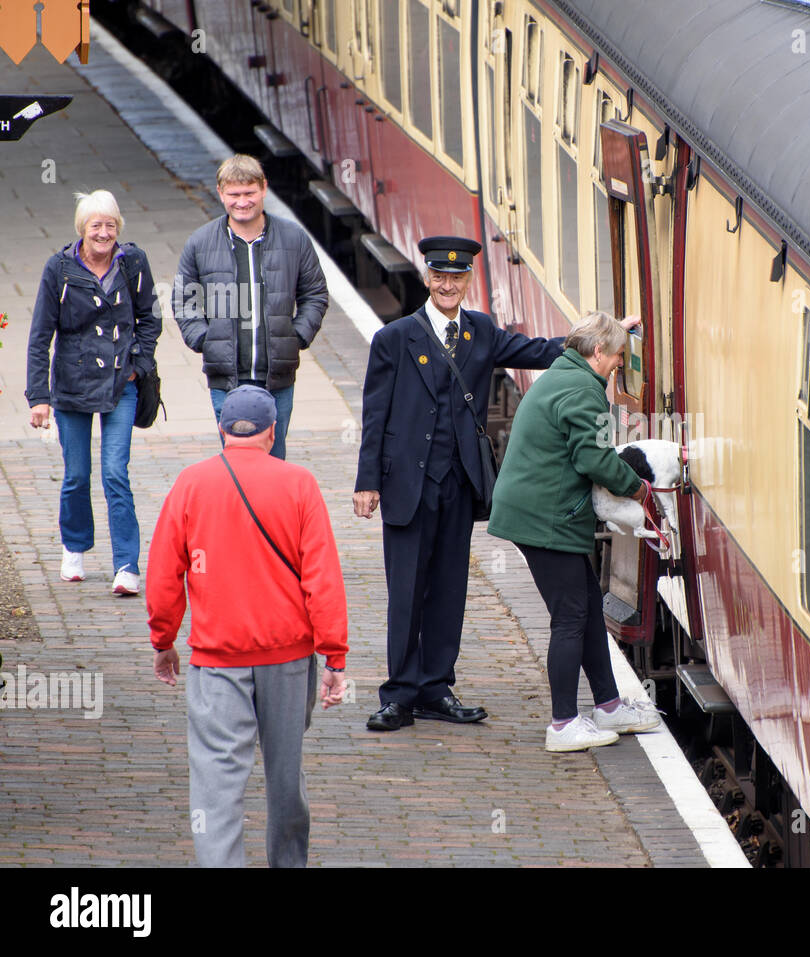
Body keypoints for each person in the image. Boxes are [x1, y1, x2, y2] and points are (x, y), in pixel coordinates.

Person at [355, 235, 573, 732]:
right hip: (407, 485)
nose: (448, 284)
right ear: (427, 278)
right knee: (406, 590)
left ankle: (436, 687)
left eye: (457, 277)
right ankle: (399, 694)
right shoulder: (394, 339)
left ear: (468, 281)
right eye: (439, 276)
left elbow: (537, 351)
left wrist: (595, 342)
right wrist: (367, 482)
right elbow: (375, 415)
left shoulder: (482, 331)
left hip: (458, 483)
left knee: (450, 588)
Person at [147, 386, 348, 867]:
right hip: (289, 658)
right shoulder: (299, 484)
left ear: (222, 430)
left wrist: (164, 639)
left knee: (216, 782)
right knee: (286, 777)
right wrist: (334, 656)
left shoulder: (191, 484)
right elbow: (322, 577)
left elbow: (162, 574)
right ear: (272, 431)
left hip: (217, 660)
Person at [487, 312, 662, 752]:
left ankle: (607, 706)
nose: (619, 366)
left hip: (539, 510)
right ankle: (563, 723)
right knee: (569, 617)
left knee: (584, 607)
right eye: (618, 357)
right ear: (598, 352)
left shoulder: (564, 372)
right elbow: (593, 459)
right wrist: (636, 487)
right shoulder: (584, 388)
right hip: (544, 517)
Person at [25, 189, 160, 595]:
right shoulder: (59, 268)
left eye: (110, 225)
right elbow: (39, 336)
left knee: (116, 473)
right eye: (95, 225)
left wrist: (139, 365)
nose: (104, 232)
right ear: (82, 229)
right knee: (77, 474)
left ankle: (126, 565)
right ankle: (75, 548)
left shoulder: (133, 262)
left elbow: (150, 318)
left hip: (121, 383)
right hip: (71, 384)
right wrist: (39, 397)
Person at [173, 154, 328, 460]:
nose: (242, 202)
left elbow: (315, 294)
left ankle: (272, 511)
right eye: (234, 194)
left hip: (278, 377)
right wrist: (204, 340)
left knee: (275, 461)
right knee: (234, 462)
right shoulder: (200, 243)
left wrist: (295, 337)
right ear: (220, 193)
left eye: (249, 193)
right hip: (225, 377)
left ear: (263, 189)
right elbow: (184, 300)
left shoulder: (294, 239)